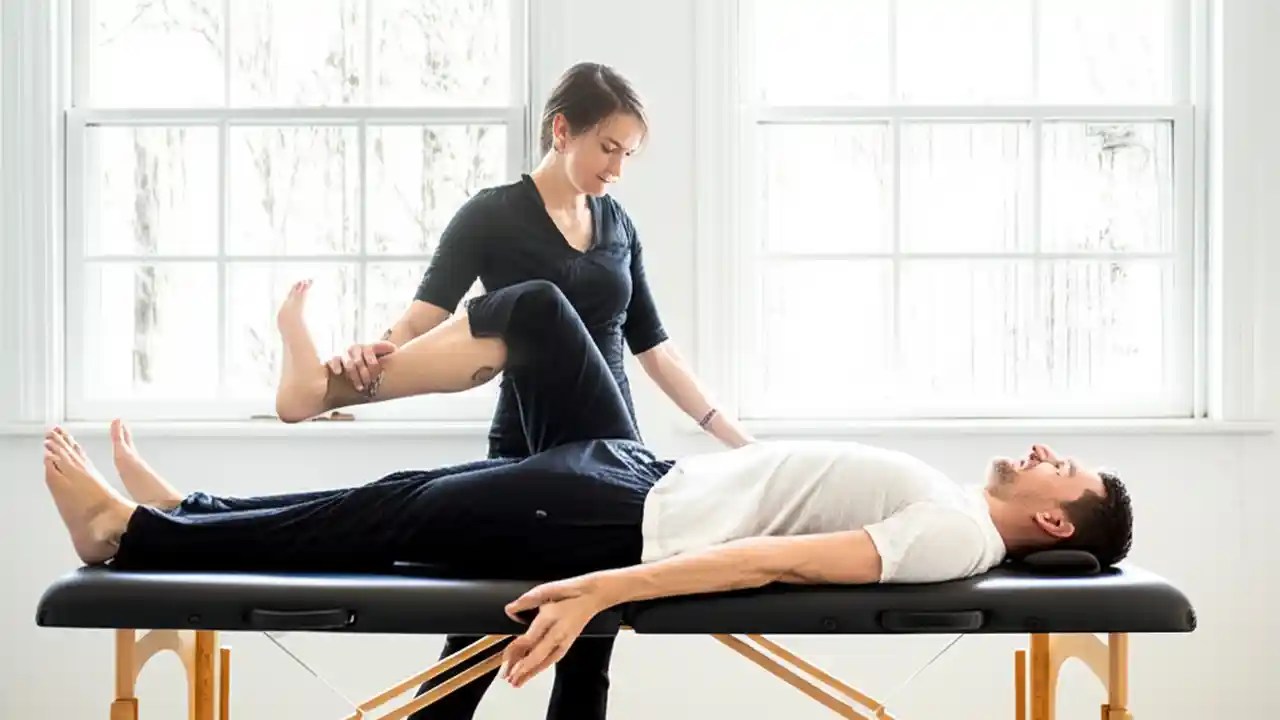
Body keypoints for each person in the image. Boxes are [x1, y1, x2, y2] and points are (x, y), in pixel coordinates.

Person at [43, 278, 1134, 695]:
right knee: (536, 310)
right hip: (642, 475)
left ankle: (134, 537)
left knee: (395, 510)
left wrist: (603, 588)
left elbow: (778, 562)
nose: (1043, 446)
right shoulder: (951, 505)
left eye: (1063, 466)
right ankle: (196, 500)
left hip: (619, 520)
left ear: (1051, 517)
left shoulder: (956, 537)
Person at [325, 61, 753, 719]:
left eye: (628, 154)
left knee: (589, 651)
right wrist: (366, 361)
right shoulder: (492, 215)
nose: (617, 168)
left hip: (611, 456)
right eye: (607, 147)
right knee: (477, 634)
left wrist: (739, 442)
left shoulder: (619, 225)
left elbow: (656, 350)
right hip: (525, 449)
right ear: (562, 129)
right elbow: (423, 318)